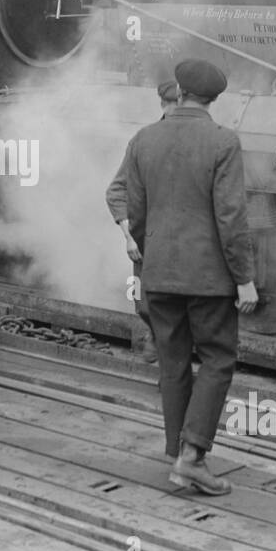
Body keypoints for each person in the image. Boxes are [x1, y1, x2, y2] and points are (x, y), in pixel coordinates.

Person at [123, 59, 258, 496]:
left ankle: (175, 447)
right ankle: (193, 456)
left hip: (159, 273)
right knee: (218, 358)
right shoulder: (223, 141)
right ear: (215, 98)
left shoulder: (144, 138)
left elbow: (136, 213)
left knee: (173, 360)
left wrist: (148, 265)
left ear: (179, 91)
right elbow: (232, 217)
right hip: (208, 277)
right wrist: (244, 277)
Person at [105, 80, 180, 361]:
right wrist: (128, 235)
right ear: (164, 106)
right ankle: (157, 336)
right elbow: (116, 190)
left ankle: (171, 358)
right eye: (171, 105)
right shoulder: (142, 141)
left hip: (185, 239)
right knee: (144, 303)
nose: (175, 111)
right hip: (148, 237)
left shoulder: (207, 141)